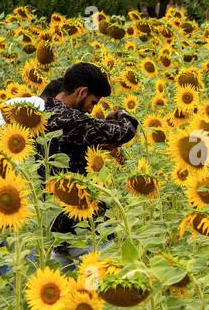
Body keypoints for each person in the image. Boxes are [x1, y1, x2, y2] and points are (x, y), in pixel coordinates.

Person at [39, 62, 139, 267]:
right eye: (93, 102)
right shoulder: (69, 119)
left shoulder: (39, 113)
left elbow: (73, 145)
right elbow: (124, 131)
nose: (91, 109)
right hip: (84, 228)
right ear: (82, 91)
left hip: (53, 227)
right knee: (98, 286)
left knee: (67, 292)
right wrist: (123, 116)